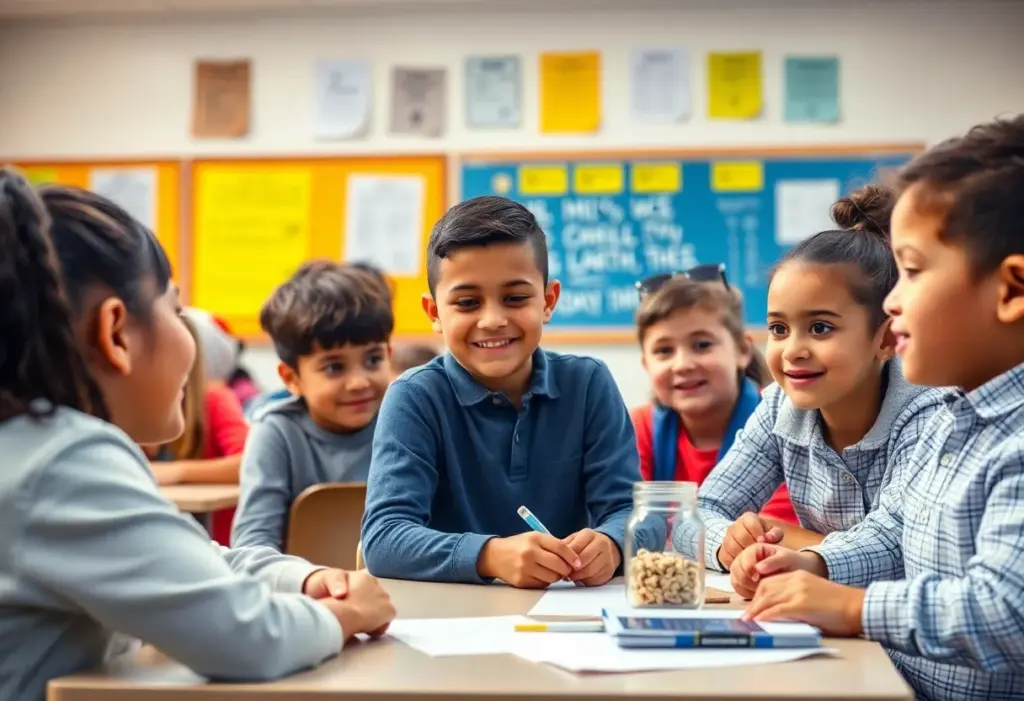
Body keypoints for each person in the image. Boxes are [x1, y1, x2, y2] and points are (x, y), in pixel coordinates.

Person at [0, 171, 395, 701]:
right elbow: (248, 639)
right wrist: (345, 615)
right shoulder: (62, 460)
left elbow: (196, 559)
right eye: (176, 310)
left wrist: (300, 580)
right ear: (116, 332)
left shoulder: (37, 446)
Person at [735, 115, 1024, 701]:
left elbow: (1006, 613)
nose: (891, 303)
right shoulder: (951, 417)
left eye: (912, 271)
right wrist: (816, 566)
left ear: (1012, 290)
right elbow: (892, 532)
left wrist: (855, 606)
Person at [361, 195, 642, 588]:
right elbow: (384, 539)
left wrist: (612, 543)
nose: (492, 320)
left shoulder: (588, 383)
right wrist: (491, 555)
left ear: (548, 301)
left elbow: (631, 513)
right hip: (451, 623)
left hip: (566, 620)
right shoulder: (414, 397)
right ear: (434, 314)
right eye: (467, 302)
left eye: (515, 298)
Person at [676, 185, 945, 573]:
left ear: (885, 338)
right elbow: (697, 514)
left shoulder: (925, 410)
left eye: (820, 328)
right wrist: (729, 546)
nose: (792, 350)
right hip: (819, 617)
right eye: (779, 328)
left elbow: (896, 540)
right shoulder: (778, 406)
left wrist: (810, 560)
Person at [231, 261, 393, 552]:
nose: (359, 382)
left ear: (389, 355)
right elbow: (252, 545)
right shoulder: (278, 431)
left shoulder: (407, 420)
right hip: (306, 593)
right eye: (334, 367)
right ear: (292, 379)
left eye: (373, 360)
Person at [631, 273, 797, 525]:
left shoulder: (783, 421)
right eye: (664, 351)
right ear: (645, 364)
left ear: (742, 350)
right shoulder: (640, 427)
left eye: (702, 345)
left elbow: (772, 536)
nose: (683, 364)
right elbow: (627, 520)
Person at [145, 313, 250, 545]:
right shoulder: (127, 409)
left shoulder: (214, 399)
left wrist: (178, 472)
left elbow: (250, 463)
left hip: (217, 543)